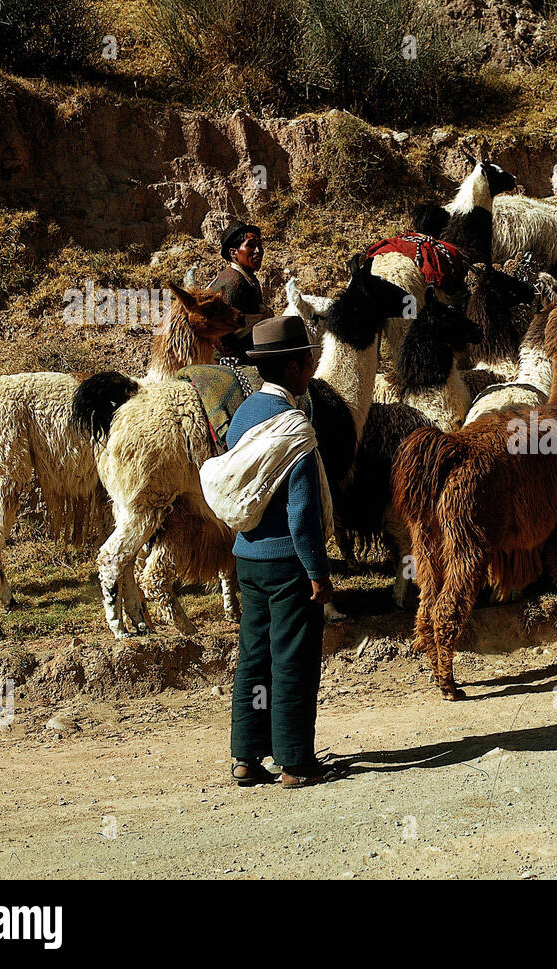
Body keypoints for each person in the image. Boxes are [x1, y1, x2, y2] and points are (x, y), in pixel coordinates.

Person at [227, 316, 343, 789]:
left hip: (247, 557)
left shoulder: (242, 416)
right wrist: (318, 571)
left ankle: (247, 755)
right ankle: (296, 762)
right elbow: (302, 513)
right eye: (308, 359)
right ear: (294, 366)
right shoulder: (293, 426)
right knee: (293, 658)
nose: (314, 365)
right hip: (287, 562)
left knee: (254, 656)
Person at [209, 220, 272, 363]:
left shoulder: (248, 279)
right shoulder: (233, 282)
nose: (258, 251)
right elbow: (221, 331)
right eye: (251, 245)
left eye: (259, 245)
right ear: (233, 253)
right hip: (228, 359)